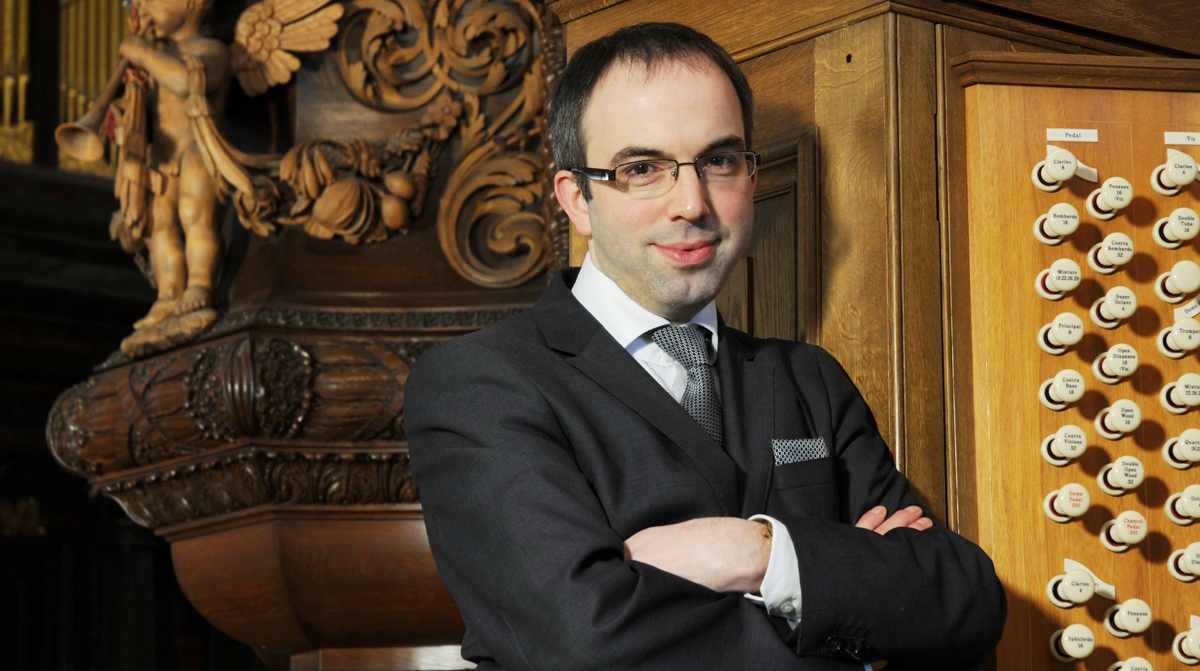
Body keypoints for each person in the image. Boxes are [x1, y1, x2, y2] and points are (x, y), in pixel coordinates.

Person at [405, 22, 1006, 671]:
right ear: (576, 198)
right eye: (642, 168)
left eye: (718, 160)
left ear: (749, 176)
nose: (691, 203)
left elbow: (964, 603)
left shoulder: (810, 379)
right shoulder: (479, 383)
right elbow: (585, 644)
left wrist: (752, 552)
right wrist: (844, 611)